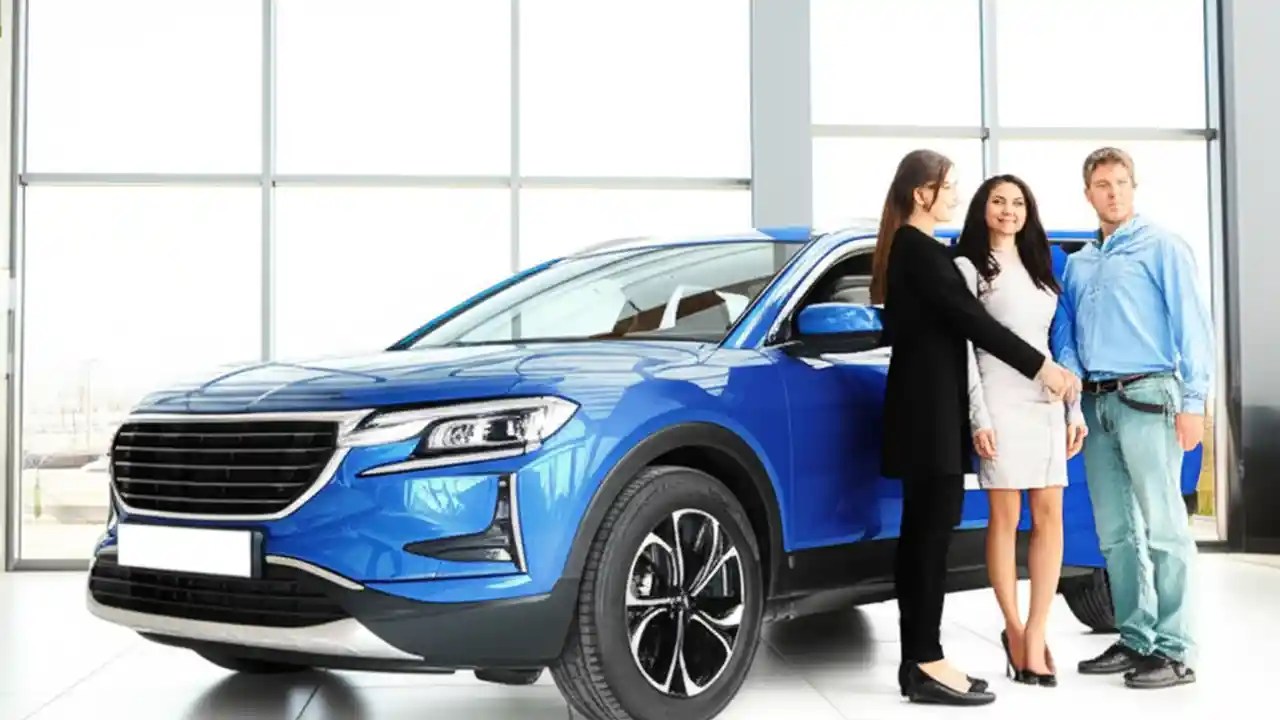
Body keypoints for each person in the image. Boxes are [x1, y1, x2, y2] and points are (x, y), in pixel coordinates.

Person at [872, 149, 1080, 706]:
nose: (957, 196)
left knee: (928, 536)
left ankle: (922, 658)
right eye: (951, 186)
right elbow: (971, 322)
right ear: (924, 194)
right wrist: (1043, 368)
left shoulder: (919, 249)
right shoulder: (917, 250)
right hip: (927, 412)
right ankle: (924, 660)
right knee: (927, 539)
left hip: (933, 411)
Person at [1052, 147, 1212, 689]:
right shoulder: (1078, 263)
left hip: (1150, 396)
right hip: (1096, 406)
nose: (1113, 191)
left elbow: (1194, 326)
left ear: (1133, 188)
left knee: (1165, 528)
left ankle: (1175, 649)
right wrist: (1075, 405)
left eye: (1122, 182)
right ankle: (1136, 636)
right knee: (1117, 533)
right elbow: (1067, 341)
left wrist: (1196, 403)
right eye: (1102, 184)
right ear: (1088, 193)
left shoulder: (1162, 246)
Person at [953, 175, 1090, 689]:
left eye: (1018, 203)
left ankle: (1036, 632)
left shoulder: (1041, 266)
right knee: (1006, 517)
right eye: (998, 201)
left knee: (1050, 514)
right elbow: (965, 345)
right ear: (982, 208)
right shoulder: (967, 266)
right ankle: (1012, 628)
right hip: (998, 395)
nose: (1008, 211)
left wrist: (1073, 408)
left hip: (1047, 398)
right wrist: (978, 416)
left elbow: (1055, 343)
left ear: (1028, 211)